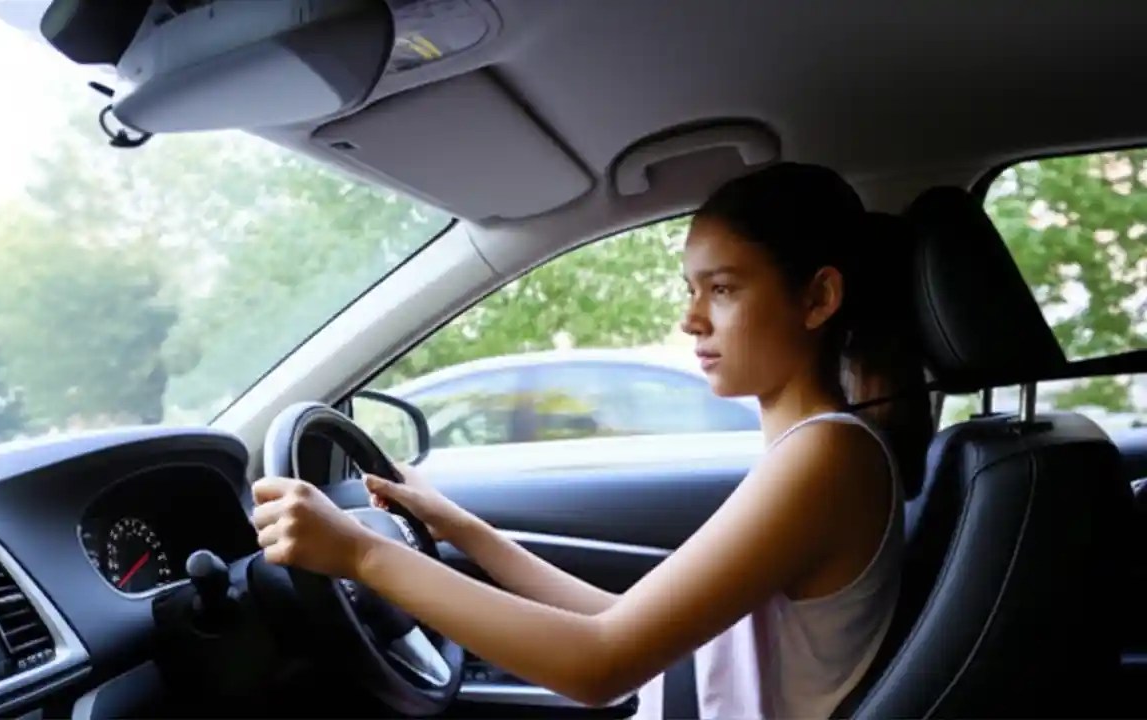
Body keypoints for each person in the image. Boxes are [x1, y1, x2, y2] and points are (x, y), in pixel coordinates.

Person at [250, 162, 932, 719]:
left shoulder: (829, 458)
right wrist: (461, 527)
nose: (691, 319)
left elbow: (600, 663)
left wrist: (362, 554)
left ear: (817, 300)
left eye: (722, 289)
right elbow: (624, 621)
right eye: (690, 289)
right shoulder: (814, 453)